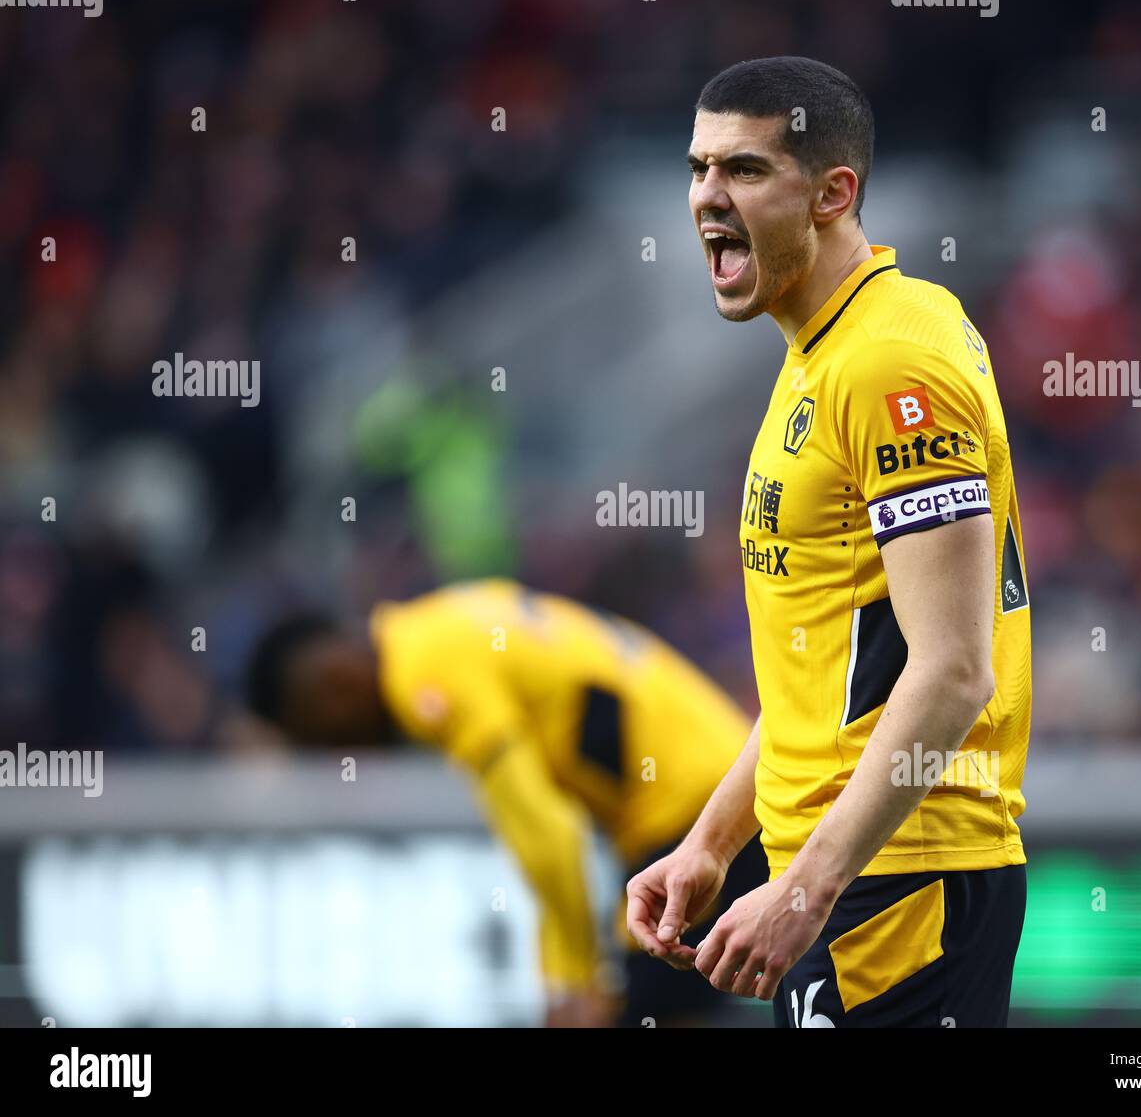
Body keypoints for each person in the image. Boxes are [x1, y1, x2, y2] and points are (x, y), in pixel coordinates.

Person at [626, 56, 1032, 1028]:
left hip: (899, 874)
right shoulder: (825, 350)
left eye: (744, 170)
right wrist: (717, 843)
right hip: (843, 865)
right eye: (697, 168)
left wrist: (806, 885)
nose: (706, 198)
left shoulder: (891, 362)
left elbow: (951, 670)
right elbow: (829, 668)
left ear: (832, 192)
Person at [245, 578, 761, 1026]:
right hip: (714, 781)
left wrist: (571, 981)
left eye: (320, 738)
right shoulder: (429, 629)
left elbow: (550, 840)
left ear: (332, 686)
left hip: (694, 810)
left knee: (637, 1005)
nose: (339, 753)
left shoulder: (425, 678)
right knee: (664, 999)